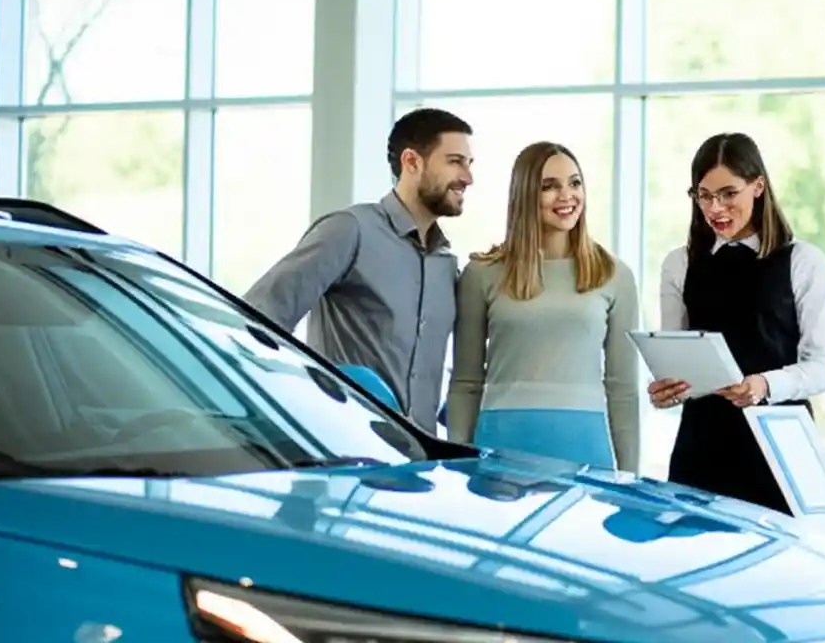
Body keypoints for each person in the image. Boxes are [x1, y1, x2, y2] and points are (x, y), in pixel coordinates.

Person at [243, 108, 474, 432]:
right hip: (345, 448)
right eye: (455, 161)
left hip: (419, 461)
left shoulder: (446, 264)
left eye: (469, 163)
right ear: (412, 162)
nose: (467, 178)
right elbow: (258, 318)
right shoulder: (349, 231)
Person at [646, 132, 825, 515]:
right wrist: (666, 391)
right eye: (703, 195)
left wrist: (765, 385)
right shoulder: (679, 265)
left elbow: (823, 368)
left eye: (728, 193)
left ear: (758, 186)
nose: (715, 207)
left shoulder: (802, 261)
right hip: (702, 447)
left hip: (780, 448)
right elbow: (676, 360)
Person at [447, 141, 640, 472]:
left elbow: (622, 389)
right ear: (524, 195)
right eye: (549, 186)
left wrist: (631, 477)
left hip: (585, 445)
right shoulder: (482, 273)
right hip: (500, 443)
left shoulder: (613, 274)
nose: (567, 195)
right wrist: (457, 464)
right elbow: (466, 383)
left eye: (575, 183)